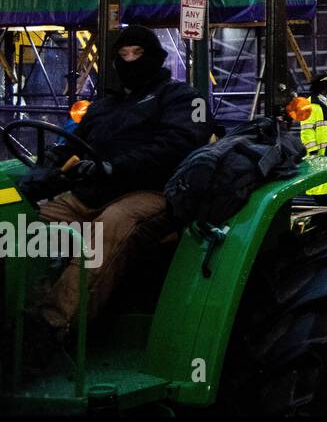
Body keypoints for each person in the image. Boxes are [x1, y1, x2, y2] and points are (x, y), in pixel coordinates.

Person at [26, 25, 213, 353]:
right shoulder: (102, 105)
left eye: (137, 54)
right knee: (28, 222)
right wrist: (50, 168)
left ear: (154, 57)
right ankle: (21, 313)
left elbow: (177, 145)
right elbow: (74, 145)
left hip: (151, 194)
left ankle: (51, 329)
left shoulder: (184, 99)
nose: (129, 60)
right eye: (122, 55)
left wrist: (114, 167)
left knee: (107, 228)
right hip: (91, 193)